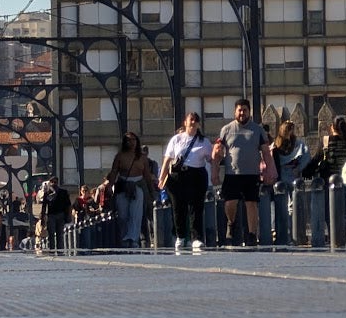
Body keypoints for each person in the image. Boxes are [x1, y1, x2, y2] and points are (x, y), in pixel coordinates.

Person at [213, 98, 276, 247]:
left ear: (249, 112)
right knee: (230, 203)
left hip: (251, 173)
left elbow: (266, 153)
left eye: (245, 110)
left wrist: (271, 171)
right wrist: (214, 172)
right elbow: (216, 152)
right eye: (239, 110)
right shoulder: (226, 130)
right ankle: (231, 223)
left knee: (251, 203)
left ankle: (252, 234)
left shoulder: (258, 130)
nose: (242, 113)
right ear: (235, 112)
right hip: (232, 174)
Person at [159, 111, 214, 251]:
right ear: (185, 122)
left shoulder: (204, 141)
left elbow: (211, 159)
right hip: (178, 176)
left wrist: (217, 158)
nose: (193, 122)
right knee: (178, 207)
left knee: (196, 207)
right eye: (191, 119)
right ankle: (180, 236)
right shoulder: (177, 139)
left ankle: (196, 238)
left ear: (198, 124)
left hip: (197, 175)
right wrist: (162, 176)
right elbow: (168, 158)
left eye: (196, 120)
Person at [105, 131, 150, 246]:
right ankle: (125, 237)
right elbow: (114, 172)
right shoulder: (120, 156)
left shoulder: (142, 157)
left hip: (138, 186)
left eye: (134, 140)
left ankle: (133, 238)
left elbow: (147, 175)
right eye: (129, 140)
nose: (132, 143)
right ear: (125, 142)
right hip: (123, 185)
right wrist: (110, 186)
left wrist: (151, 190)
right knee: (123, 214)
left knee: (136, 213)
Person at [269, 120, 310, 245]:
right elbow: (306, 156)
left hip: (285, 176)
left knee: (286, 205)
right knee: (288, 205)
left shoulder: (278, 143)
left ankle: (286, 231)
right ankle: (291, 232)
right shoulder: (295, 144)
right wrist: (298, 168)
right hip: (289, 175)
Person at [37, 175, 73, 248]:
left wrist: (68, 215)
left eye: (55, 182)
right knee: (51, 234)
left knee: (60, 234)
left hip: (61, 215)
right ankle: (52, 250)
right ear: (50, 183)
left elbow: (68, 205)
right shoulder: (47, 193)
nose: (54, 183)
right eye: (52, 182)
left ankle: (60, 250)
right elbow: (44, 206)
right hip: (51, 215)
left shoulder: (63, 192)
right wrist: (42, 218)